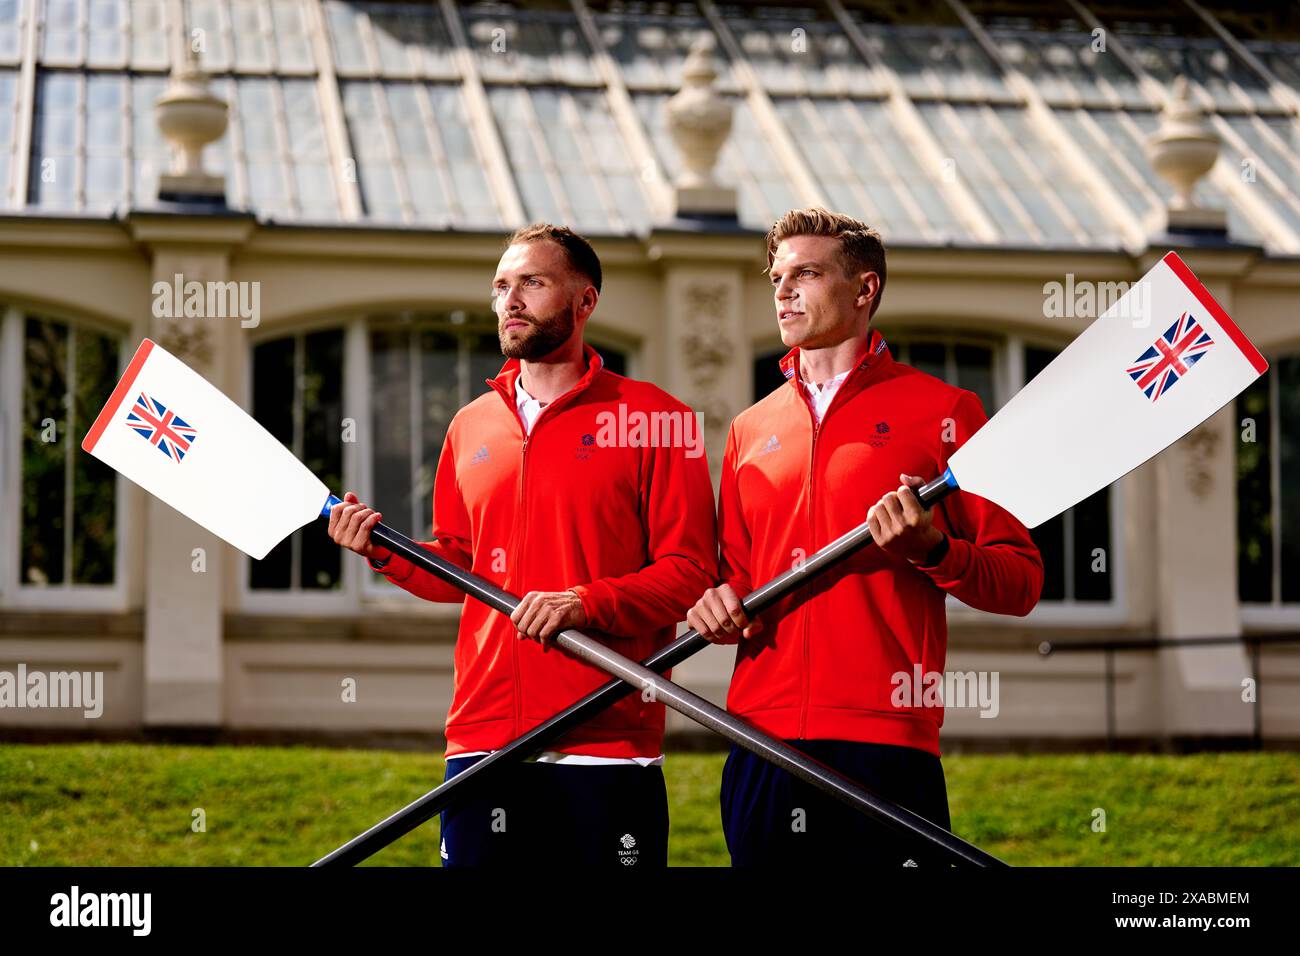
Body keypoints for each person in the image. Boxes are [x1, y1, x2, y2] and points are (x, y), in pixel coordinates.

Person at [330, 223, 717, 868]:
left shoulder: (656, 419)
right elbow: (457, 565)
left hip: (606, 735)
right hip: (483, 737)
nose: (509, 301)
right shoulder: (470, 424)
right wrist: (381, 549)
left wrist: (583, 602)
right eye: (501, 286)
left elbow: (689, 572)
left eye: (532, 283)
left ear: (584, 300)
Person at [686, 207, 1044, 867]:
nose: (784, 291)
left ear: (864, 289)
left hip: (884, 744)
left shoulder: (944, 412)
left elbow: (1019, 581)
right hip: (761, 742)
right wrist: (715, 604)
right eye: (776, 277)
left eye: (807, 274)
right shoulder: (748, 428)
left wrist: (932, 550)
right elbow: (734, 579)